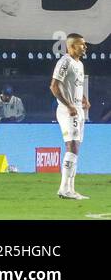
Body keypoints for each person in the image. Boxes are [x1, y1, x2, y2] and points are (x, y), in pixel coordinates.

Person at [51, 33, 90, 200]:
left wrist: (84, 99)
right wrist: (69, 106)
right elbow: (53, 86)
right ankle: (63, 189)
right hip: (68, 111)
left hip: (78, 110)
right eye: (82, 44)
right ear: (72, 46)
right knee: (72, 147)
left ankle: (71, 189)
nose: (85, 47)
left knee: (76, 149)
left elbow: (75, 86)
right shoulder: (65, 62)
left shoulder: (79, 64)